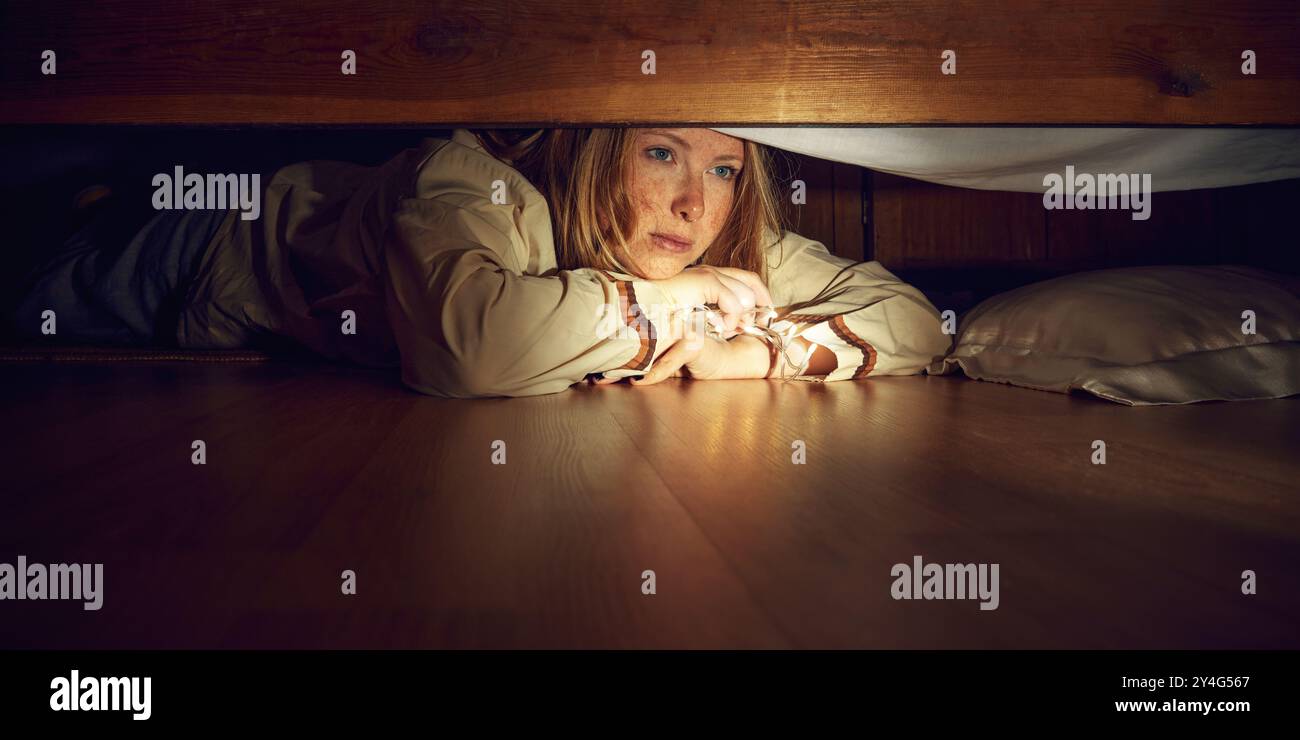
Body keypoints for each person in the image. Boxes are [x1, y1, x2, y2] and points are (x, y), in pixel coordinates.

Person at [10, 128, 951, 397]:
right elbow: (474, 350)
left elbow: (913, 321)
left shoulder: (719, 234)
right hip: (196, 249)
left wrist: (753, 355)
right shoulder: (472, 183)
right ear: (596, 150)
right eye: (661, 154)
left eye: (723, 169)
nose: (695, 204)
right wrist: (675, 305)